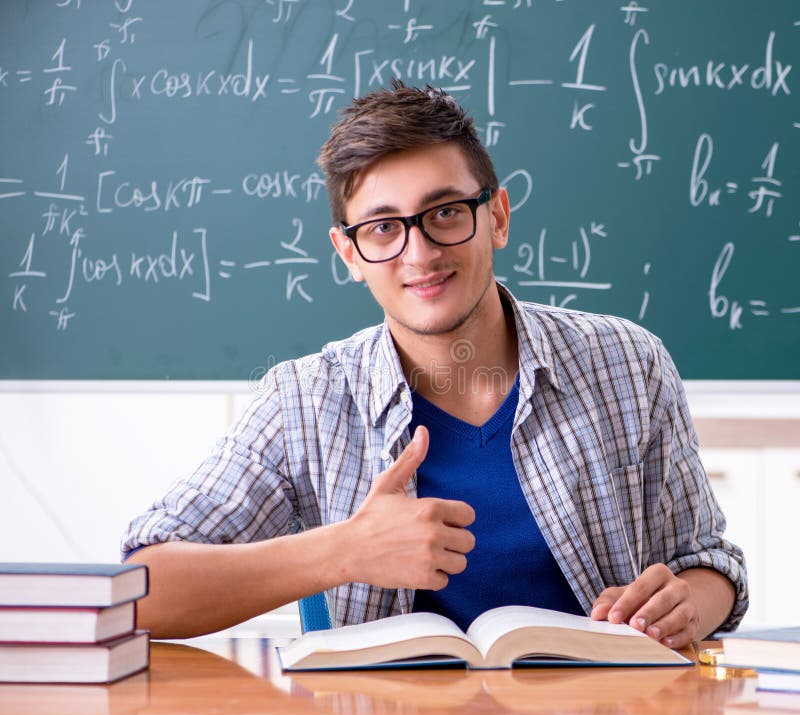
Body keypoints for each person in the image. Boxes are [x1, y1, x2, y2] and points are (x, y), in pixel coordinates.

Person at [121, 81, 747, 646]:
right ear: (349, 252)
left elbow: (710, 563)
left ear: (496, 217)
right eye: (383, 227)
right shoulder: (305, 402)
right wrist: (343, 551)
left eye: (445, 213)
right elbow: (140, 590)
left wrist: (686, 603)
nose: (418, 253)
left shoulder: (626, 365)